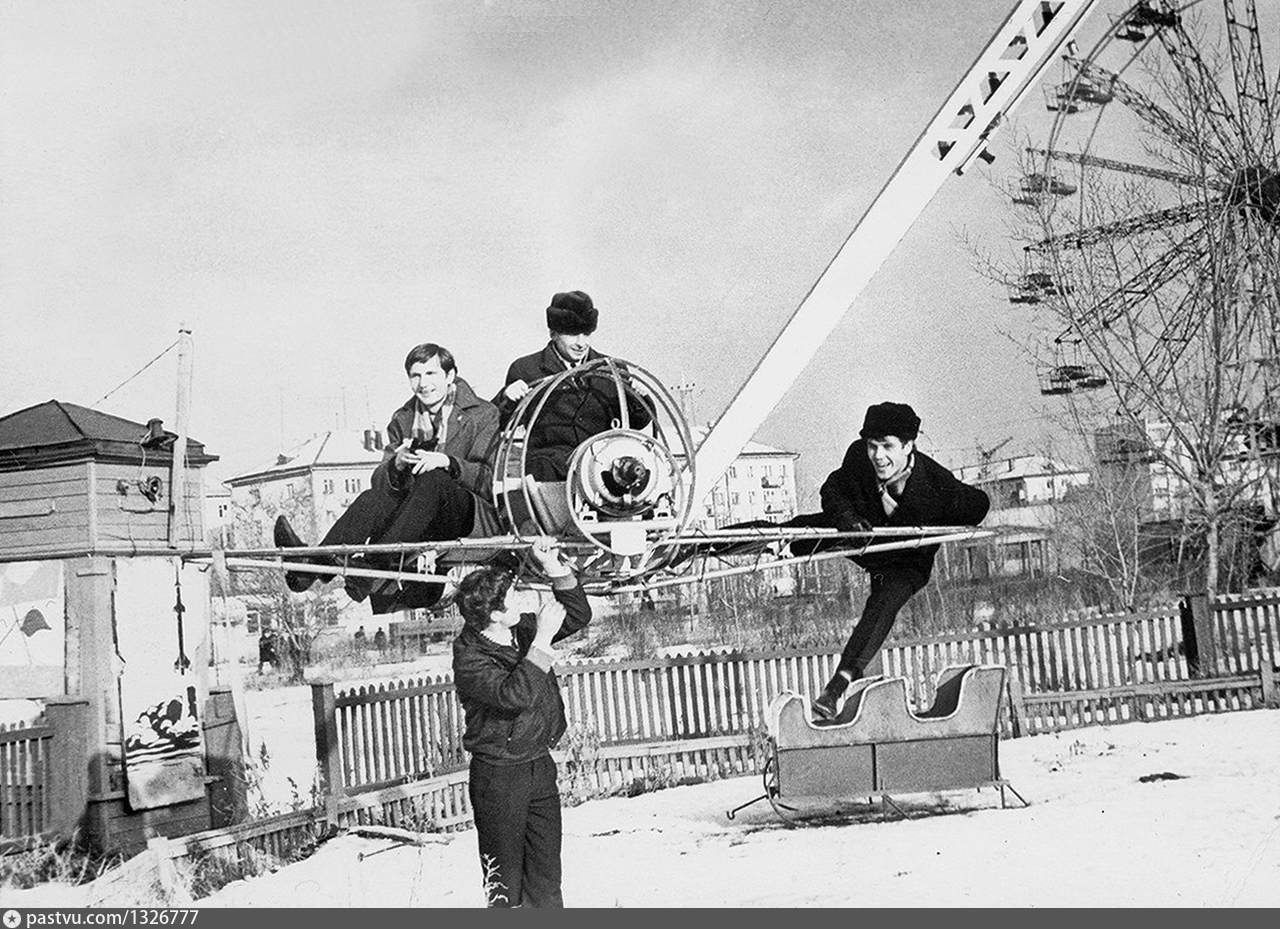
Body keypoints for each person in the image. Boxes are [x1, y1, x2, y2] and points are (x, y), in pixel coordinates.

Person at [275, 342, 501, 614]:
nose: (423, 384)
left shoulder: (482, 414)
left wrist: (448, 462)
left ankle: (374, 564)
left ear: (450, 375)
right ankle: (309, 568)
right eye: (415, 376)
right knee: (372, 499)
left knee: (434, 479)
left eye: (431, 374)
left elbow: (488, 480)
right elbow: (381, 486)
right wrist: (396, 464)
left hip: (464, 515)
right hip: (416, 517)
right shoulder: (403, 419)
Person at [804, 402, 991, 722]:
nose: (878, 456)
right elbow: (832, 490)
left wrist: (947, 523)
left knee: (884, 603)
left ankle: (836, 687)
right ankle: (715, 546)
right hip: (865, 537)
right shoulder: (858, 457)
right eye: (872, 446)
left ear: (908, 446)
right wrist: (846, 517)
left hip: (906, 561)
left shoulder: (937, 484)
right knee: (800, 529)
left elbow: (978, 504)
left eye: (887, 446)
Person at [451, 537, 592, 908]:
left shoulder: (520, 630)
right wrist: (543, 638)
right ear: (495, 614)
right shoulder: (470, 657)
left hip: (538, 765)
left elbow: (578, 615)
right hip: (498, 776)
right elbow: (514, 696)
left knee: (546, 879)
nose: (523, 603)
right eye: (514, 598)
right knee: (505, 886)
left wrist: (553, 566)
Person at [493, 290, 652, 482]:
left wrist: (638, 398)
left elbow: (638, 423)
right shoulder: (526, 369)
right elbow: (499, 423)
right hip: (549, 470)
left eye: (586, 334)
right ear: (553, 333)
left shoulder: (612, 369)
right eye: (572, 334)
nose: (581, 343)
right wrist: (507, 398)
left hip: (600, 469)